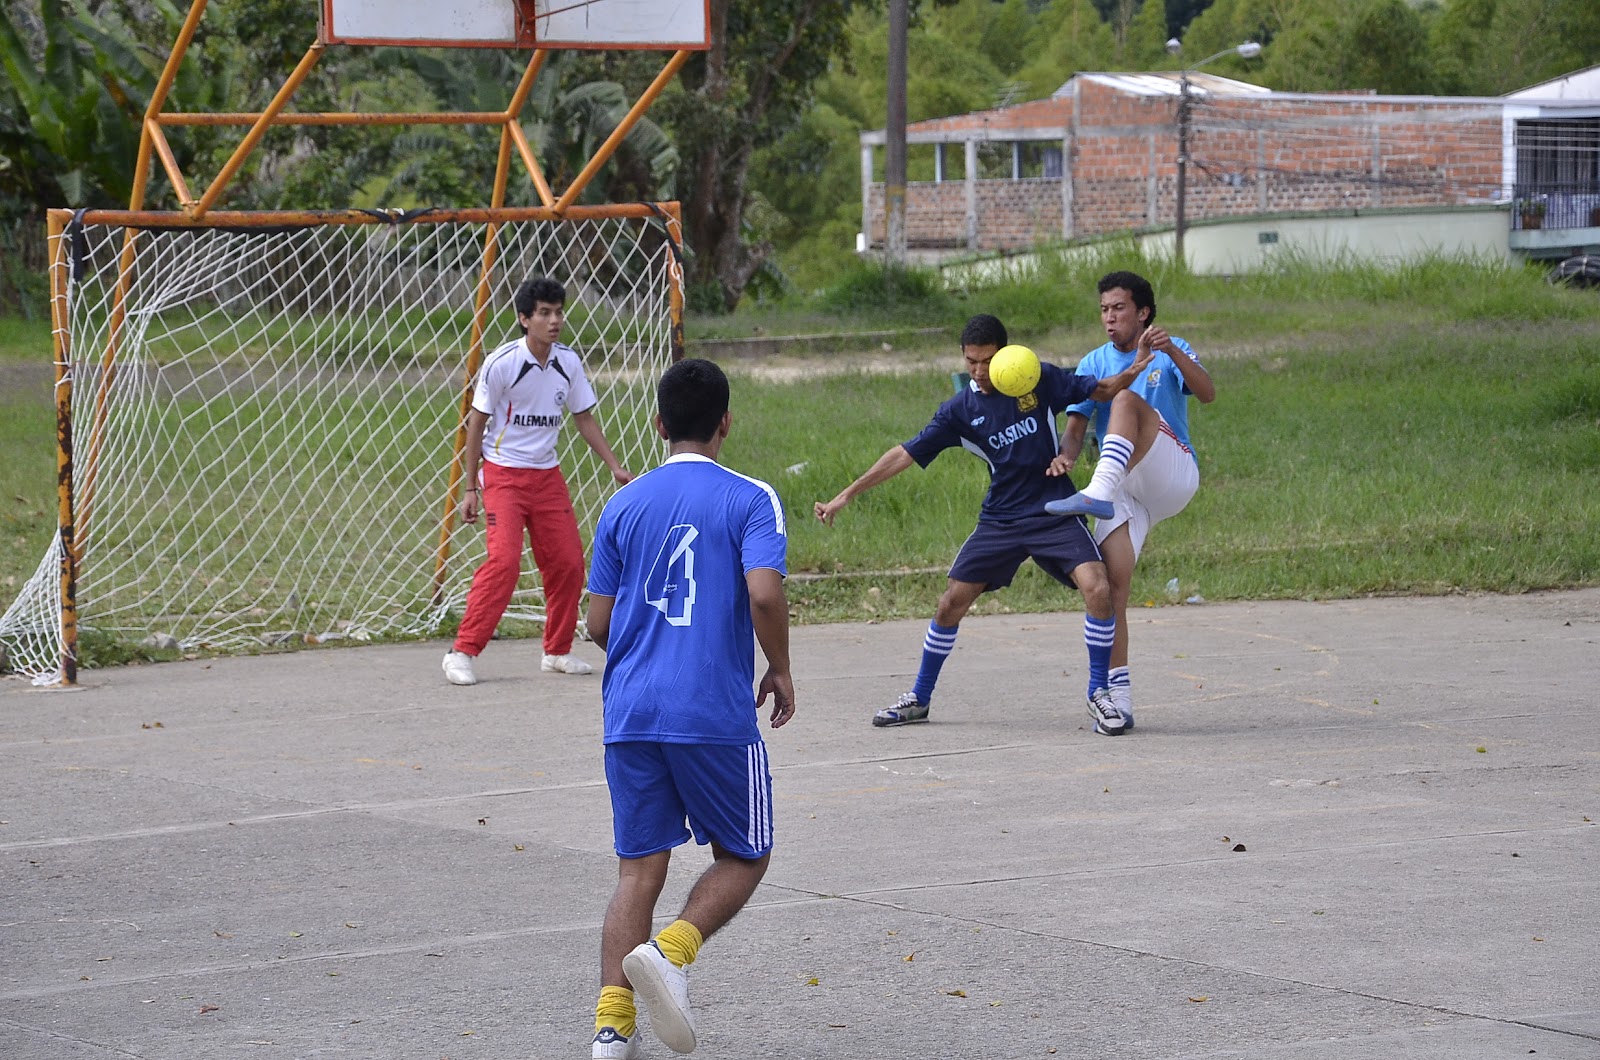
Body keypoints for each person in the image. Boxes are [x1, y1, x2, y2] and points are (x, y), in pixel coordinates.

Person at [584, 358, 795, 1058]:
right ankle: (670, 952)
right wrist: (780, 667)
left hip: (630, 713)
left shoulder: (623, 504)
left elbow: (596, 622)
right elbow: (763, 593)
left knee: (638, 871)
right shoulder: (750, 498)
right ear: (726, 422)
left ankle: (611, 1029)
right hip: (710, 712)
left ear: (658, 424)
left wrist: (645, 652)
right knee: (747, 852)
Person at [814, 314, 1150, 735]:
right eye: (970, 361)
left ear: (1004, 355)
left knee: (1098, 587)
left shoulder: (1034, 377)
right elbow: (904, 453)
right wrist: (846, 494)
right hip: (1001, 519)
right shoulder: (959, 410)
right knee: (950, 602)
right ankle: (919, 697)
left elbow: (1100, 390)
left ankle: (1099, 693)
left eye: (987, 361)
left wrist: (1134, 368)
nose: (978, 370)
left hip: (1053, 510)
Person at [441, 277, 633, 687]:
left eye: (558, 312)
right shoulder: (502, 363)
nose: (554, 321)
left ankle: (557, 649)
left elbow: (584, 417)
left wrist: (614, 465)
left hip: (547, 476)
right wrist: (470, 488)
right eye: (544, 313)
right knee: (505, 562)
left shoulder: (568, 363)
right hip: (503, 474)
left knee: (569, 562)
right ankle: (462, 651)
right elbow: (476, 424)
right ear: (524, 319)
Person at [1045, 271, 1215, 731]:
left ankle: (1097, 491)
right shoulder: (1094, 361)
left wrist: (1172, 350)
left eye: (1118, 308)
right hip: (1125, 489)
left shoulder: (1170, 348)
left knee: (1124, 402)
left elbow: (1207, 393)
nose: (1109, 317)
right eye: (1104, 309)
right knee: (1108, 588)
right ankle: (1117, 699)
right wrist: (1065, 456)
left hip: (1170, 472)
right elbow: (1076, 427)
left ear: (1143, 312)